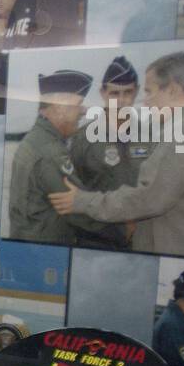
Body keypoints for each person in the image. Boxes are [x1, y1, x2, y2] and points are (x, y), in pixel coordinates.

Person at [46, 52, 184, 260]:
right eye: (114, 93)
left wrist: (83, 201)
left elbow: (150, 197)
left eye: (149, 92)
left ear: (173, 90)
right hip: (104, 243)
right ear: (103, 93)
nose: (146, 102)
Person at [7, 70, 108, 244]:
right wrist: (122, 231)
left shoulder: (36, 140)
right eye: (79, 104)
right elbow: (76, 209)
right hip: (46, 251)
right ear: (61, 107)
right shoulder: (50, 152)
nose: (83, 111)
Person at [66, 55, 141, 250]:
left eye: (128, 92)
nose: (122, 100)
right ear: (103, 93)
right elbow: (68, 195)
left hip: (141, 242)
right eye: (115, 93)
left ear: (137, 92)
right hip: (95, 242)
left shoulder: (151, 138)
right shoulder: (83, 139)